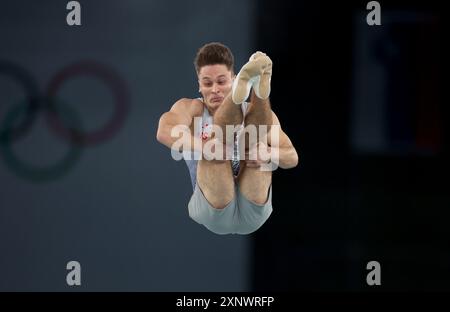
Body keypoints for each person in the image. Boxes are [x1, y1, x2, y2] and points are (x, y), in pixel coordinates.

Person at [156, 42, 298, 235]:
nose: (215, 89)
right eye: (207, 83)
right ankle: (252, 88)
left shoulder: (259, 115)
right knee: (216, 147)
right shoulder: (191, 108)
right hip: (213, 206)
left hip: (253, 203)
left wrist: (268, 153)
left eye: (221, 82)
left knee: (257, 141)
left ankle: (260, 91)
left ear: (232, 79)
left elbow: (292, 157)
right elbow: (164, 132)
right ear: (199, 85)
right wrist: (203, 147)